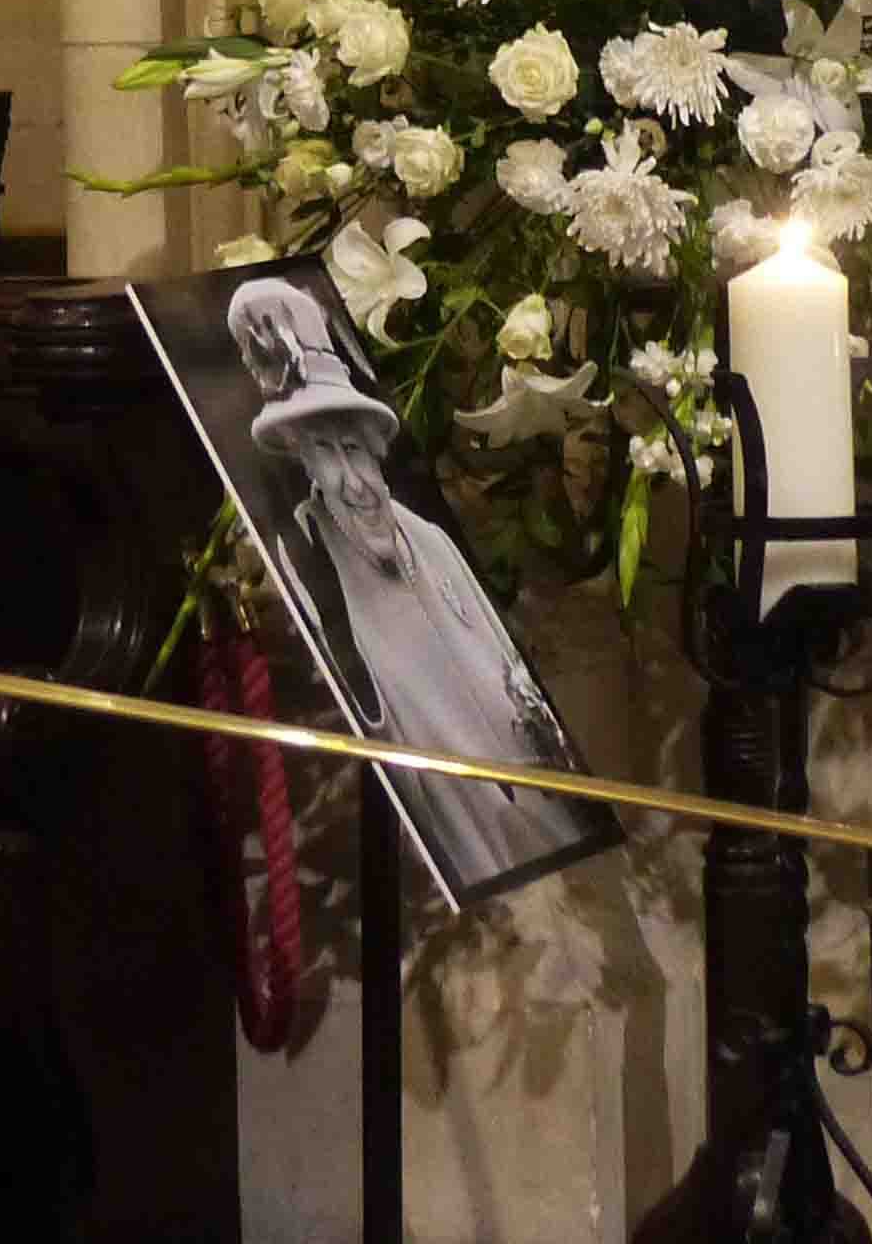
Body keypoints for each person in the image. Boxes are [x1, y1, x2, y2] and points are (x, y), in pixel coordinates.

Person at [226, 278, 599, 889]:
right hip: (448, 860)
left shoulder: (430, 538)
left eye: (355, 448)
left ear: (378, 450)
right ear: (300, 460)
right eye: (325, 452)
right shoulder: (306, 563)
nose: (353, 481)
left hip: (544, 836)